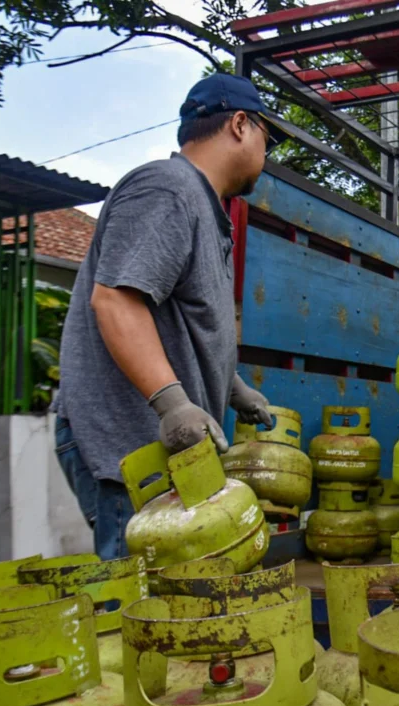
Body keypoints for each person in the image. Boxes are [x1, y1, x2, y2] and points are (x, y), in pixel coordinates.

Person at [54, 73, 275, 560]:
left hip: (165, 453)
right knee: (141, 602)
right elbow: (115, 301)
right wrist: (172, 405)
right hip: (132, 446)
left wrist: (233, 388)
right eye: (267, 136)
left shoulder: (204, 208)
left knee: (174, 603)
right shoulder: (167, 188)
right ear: (240, 124)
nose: (267, 151)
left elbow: (179, 319)